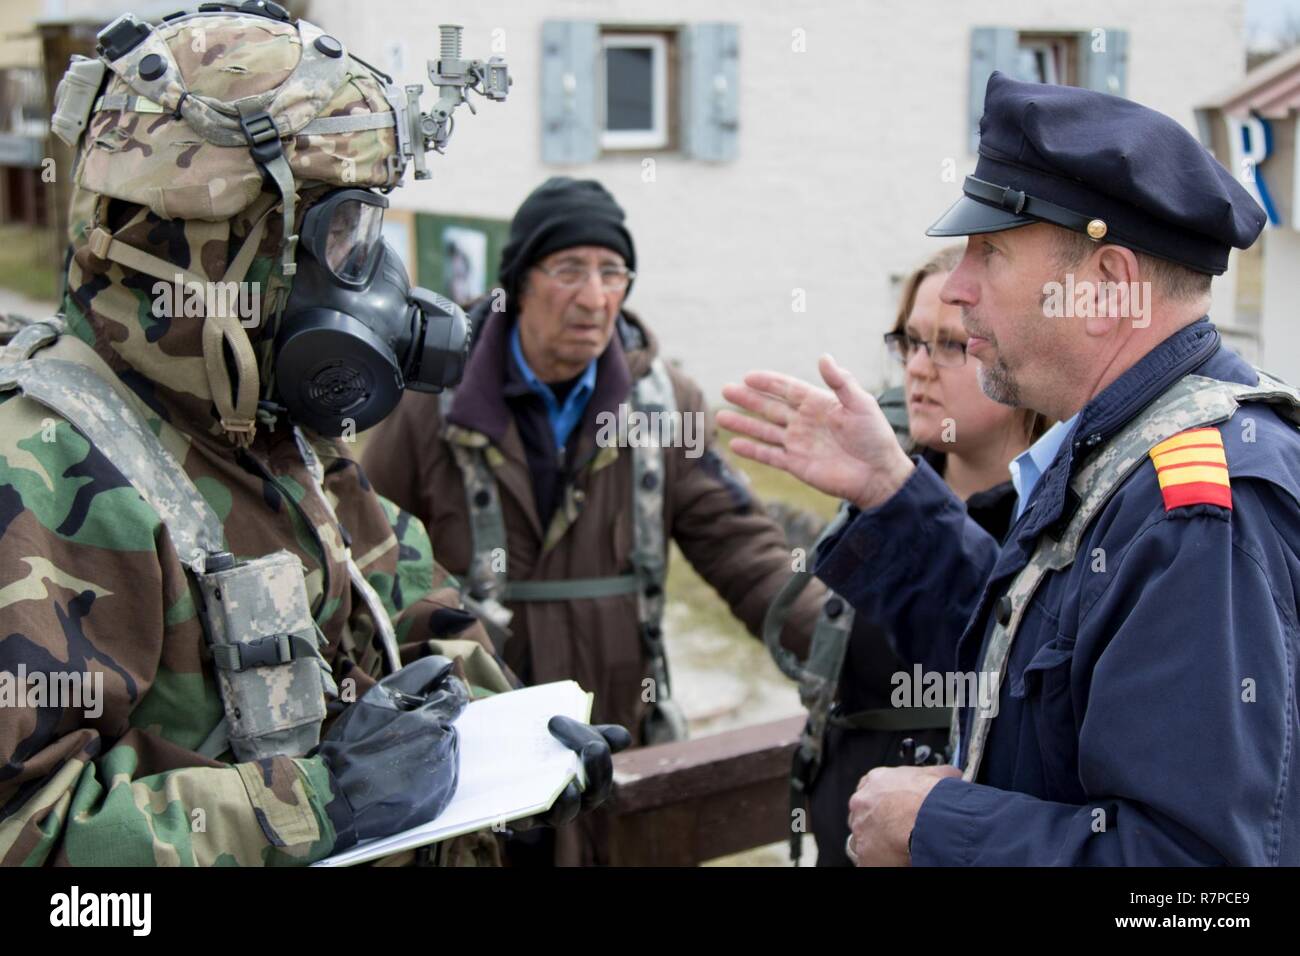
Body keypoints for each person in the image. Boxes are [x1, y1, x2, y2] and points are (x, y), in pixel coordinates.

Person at [0, 7, 626, 867]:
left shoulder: (270, 427)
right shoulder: (40, 473)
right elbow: (27, 838)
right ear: (209, 251)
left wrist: (512, 741)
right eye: (342, 235)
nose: (371, 281)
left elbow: (409, 605)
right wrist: (320, 804)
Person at [719, 72, 1300, 865]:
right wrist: (892, 493)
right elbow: (1032, 657)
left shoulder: (1195, 510)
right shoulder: (1122, 449)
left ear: (1106, 286)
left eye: (989, 252)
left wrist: (937, 830)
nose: (956, 290)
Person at [363, 176, 825, 865]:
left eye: (613, 272)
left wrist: (851, 653)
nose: (595, 296)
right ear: (519, 282)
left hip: (617, 739)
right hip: (475, 754)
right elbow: (366, 564)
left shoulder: (665, 406)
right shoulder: (431, 406)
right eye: (570, 270)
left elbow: (746, 553)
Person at [801, 245, 1045, 866]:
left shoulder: (1054, 523)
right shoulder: (875, 484)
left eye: (951, 345)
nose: (918, 368)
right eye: (908, 341)